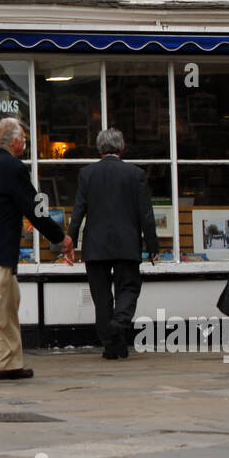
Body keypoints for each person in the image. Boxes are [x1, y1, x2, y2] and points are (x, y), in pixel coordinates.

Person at [0, 118, 72, 380]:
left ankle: (9, 363)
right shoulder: (13, 167)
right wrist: (60, 237)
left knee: (8, 305)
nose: (25, 141)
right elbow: (34, 208)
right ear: (15, 141)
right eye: (23, 136)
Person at [67, 128, 159, 360]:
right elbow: (145, 214)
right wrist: (153, 245)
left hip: (95, 244)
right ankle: (119, 323)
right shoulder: (135, 173)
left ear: (99, 148)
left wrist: (70, 239)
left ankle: (112, 346)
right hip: (127, 242)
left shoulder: (87, 174)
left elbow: (78, 210)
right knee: (128, 287)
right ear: (122, 147)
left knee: (101, 297)